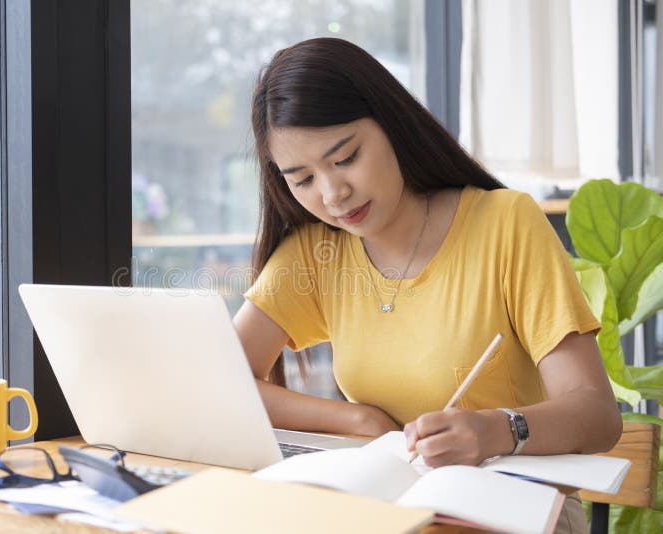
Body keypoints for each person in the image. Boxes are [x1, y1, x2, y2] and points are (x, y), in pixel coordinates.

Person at [232, 37, 622, 532]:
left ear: (392, 124)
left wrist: (495, 430)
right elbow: (226, 381)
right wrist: (358, 420)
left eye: (345, 158)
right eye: (302, 179)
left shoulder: (504, 224)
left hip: (512, 507)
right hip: (389, 509)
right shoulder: (317, 251)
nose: (333, 194)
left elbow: (598, 413)